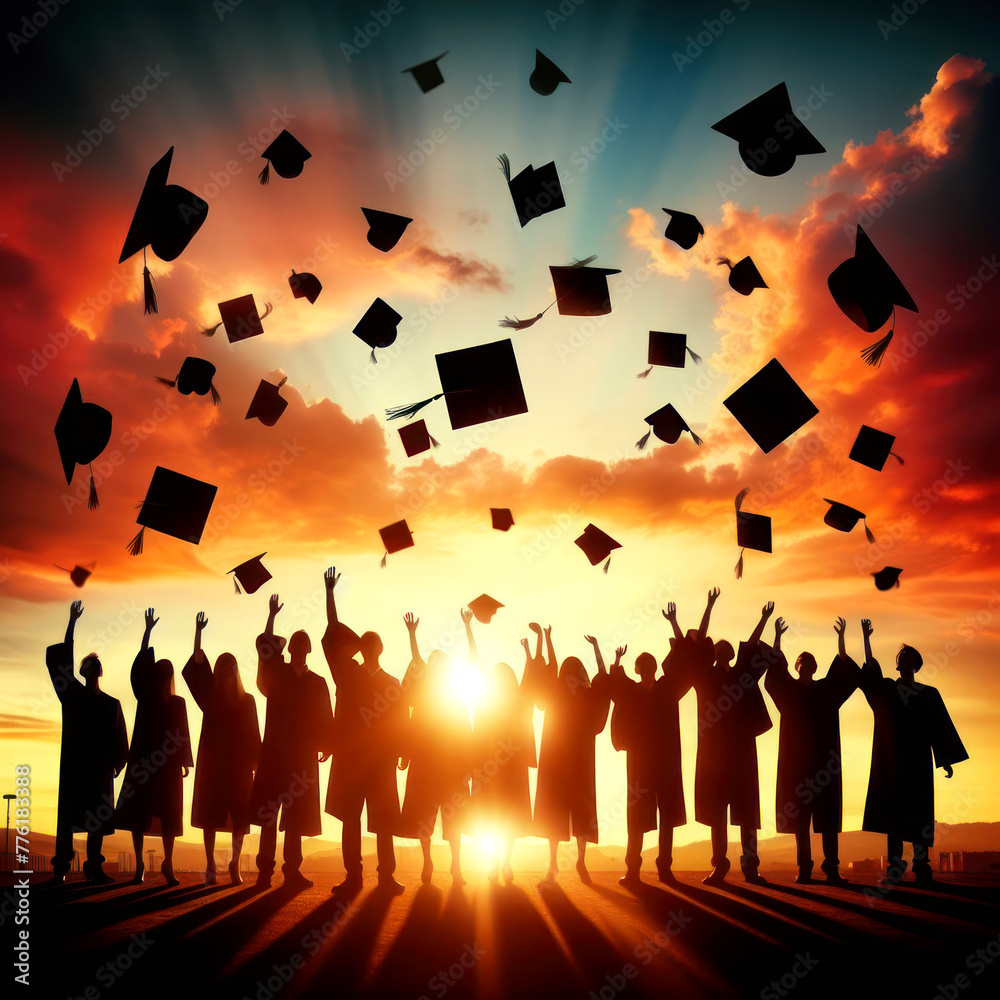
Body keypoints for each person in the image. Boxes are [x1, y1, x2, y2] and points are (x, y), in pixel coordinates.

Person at [859, 618, 968, 886]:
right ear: (897, 664)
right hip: (893, 764)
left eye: (909, 658)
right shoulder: (888, 690)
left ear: (916, 665)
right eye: (901, 657)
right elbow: (871, 675)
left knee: (920, 817)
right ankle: (895, 867)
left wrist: (945, 761)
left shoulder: (928, 694)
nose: (904, 661)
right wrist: (866, 639)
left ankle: (922, 866)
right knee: (895, 819)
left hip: (918, 763)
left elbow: (940, 728)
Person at [322, 567, 406, 897]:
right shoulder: (350, 674)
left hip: (379, 760)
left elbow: (401, 721)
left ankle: (385, 877)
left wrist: (402, 751)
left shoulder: (390, 684)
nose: (363, 650)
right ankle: (353, 877)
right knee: (350, 818)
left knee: (383, 820)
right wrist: (330, 595)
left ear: (375, 650)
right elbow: (332, 633)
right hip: (354, 759)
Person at [681, 591, 773, 885]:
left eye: (725, 648)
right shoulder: (705, 677)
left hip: (740, 752)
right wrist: (708, 606)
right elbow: (700, 642)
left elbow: (753, 644)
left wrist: (764, 618)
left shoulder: (740, 676)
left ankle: (750, 867)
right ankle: (720, 865)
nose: (721, 649)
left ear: (729, 655)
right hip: (715, 755)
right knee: (718, 815)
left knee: (745, 813)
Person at [765, 617, 860, 884]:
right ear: (796, 667)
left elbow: (843, 671)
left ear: (815, 667)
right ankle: (804, 868)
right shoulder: (789, 692)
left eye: (809, 662)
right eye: (801, 662)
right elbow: (774, 671)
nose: (805, 664)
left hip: (823, 764)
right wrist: (777, 637)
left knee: (828, 819)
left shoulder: (826, 691)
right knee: (799, 821)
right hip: (796, 766)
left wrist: (841, 639)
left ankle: (831, 869)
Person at [250, 594, 334, 891]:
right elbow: (265, 650)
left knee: (296, 815)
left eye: (302, 645)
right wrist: (272, 615)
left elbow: (325, 714)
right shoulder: (279, 674)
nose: (298, 648)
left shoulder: (316, 682)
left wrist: (325, 744)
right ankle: (264, 871)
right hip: (275, 751)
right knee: (270, 813)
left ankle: (292, 870)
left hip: (301, 755)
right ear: (291, 648)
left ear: (307, 650)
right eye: (295, 644)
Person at [43, 601, 129, 885]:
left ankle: (92, 866)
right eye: (88, 668)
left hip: (99, 770)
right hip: (77, 768)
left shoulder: (111, 704)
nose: (92, 672)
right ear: (83, 673)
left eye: (94, 668)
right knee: (69, 819)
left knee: (96, 822)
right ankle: (61, 868)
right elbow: (62, 662)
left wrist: (117, 764)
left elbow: (120, 737)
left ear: (99, 672)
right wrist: (72, 623)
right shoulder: (74, 696)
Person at [607, 610, 691, 887]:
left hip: (664, 761)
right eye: (644, 665)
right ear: (640, 669)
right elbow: (614, 683)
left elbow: (682, 662)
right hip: (641, 763)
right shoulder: (632, 692)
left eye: (649, 664)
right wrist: (617, 660)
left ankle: (663, 868)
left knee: (665, 815)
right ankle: (633, 870)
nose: (647, 668)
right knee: (638, 817)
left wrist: (673, 623)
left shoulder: (667, 688)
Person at [114, 608, 193, 885]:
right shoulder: (146, 699)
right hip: (148, 763)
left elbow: (182, 733)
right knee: (140, 813)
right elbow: (141, 671)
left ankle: (166, 864)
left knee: (168, 815)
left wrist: (184, 761)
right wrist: (147, 633)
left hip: (159, 765)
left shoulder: (170, 702)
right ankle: (142, 867)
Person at [182, 611, 261, 885]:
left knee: (239, 819)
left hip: (238, 768)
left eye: (229, 671)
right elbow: (196, 668)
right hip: (213, 767)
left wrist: (256, 763)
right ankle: (210, 865)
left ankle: (235, 864)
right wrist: (198, 633)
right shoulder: (211, 698)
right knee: (209, 817)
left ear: (235, 672)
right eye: (222, 670)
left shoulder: (247, 701)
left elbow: (254, 734)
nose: (225, 675)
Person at [531, 623, 611, 885]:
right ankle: (552, 864)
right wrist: (547, 638)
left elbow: (604, 681)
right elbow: (551, 667)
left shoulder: (588, 695)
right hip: (557, 762)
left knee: (582, 810)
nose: (569, 675)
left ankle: (580, 860)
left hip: (580, 762)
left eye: (574, 671)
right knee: (554, 813)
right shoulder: (555, 694)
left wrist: (598, 649)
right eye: (567, 672)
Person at [463, 608, 536, 882]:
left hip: (508, 769)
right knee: (493, 818)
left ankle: (503, 862)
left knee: (507, 818)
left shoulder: (516, 702)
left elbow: (531, 676)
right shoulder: (488, 702)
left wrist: (531, 652)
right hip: (489, 768)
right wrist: (469, 629)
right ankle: (497, 863)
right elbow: (475, 662)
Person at [399, 612, 473, 885]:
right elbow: (417, 662)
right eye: (431, 663)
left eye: (437, 662)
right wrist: (411, 635)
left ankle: (456, 866)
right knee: (424, 816)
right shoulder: (421, 694)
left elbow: (466, 733)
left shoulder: (454, 698)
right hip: (425, 763)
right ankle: (428, 861)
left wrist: (468, 767)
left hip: (451, 767)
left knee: (454, 819)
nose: (432, 665)